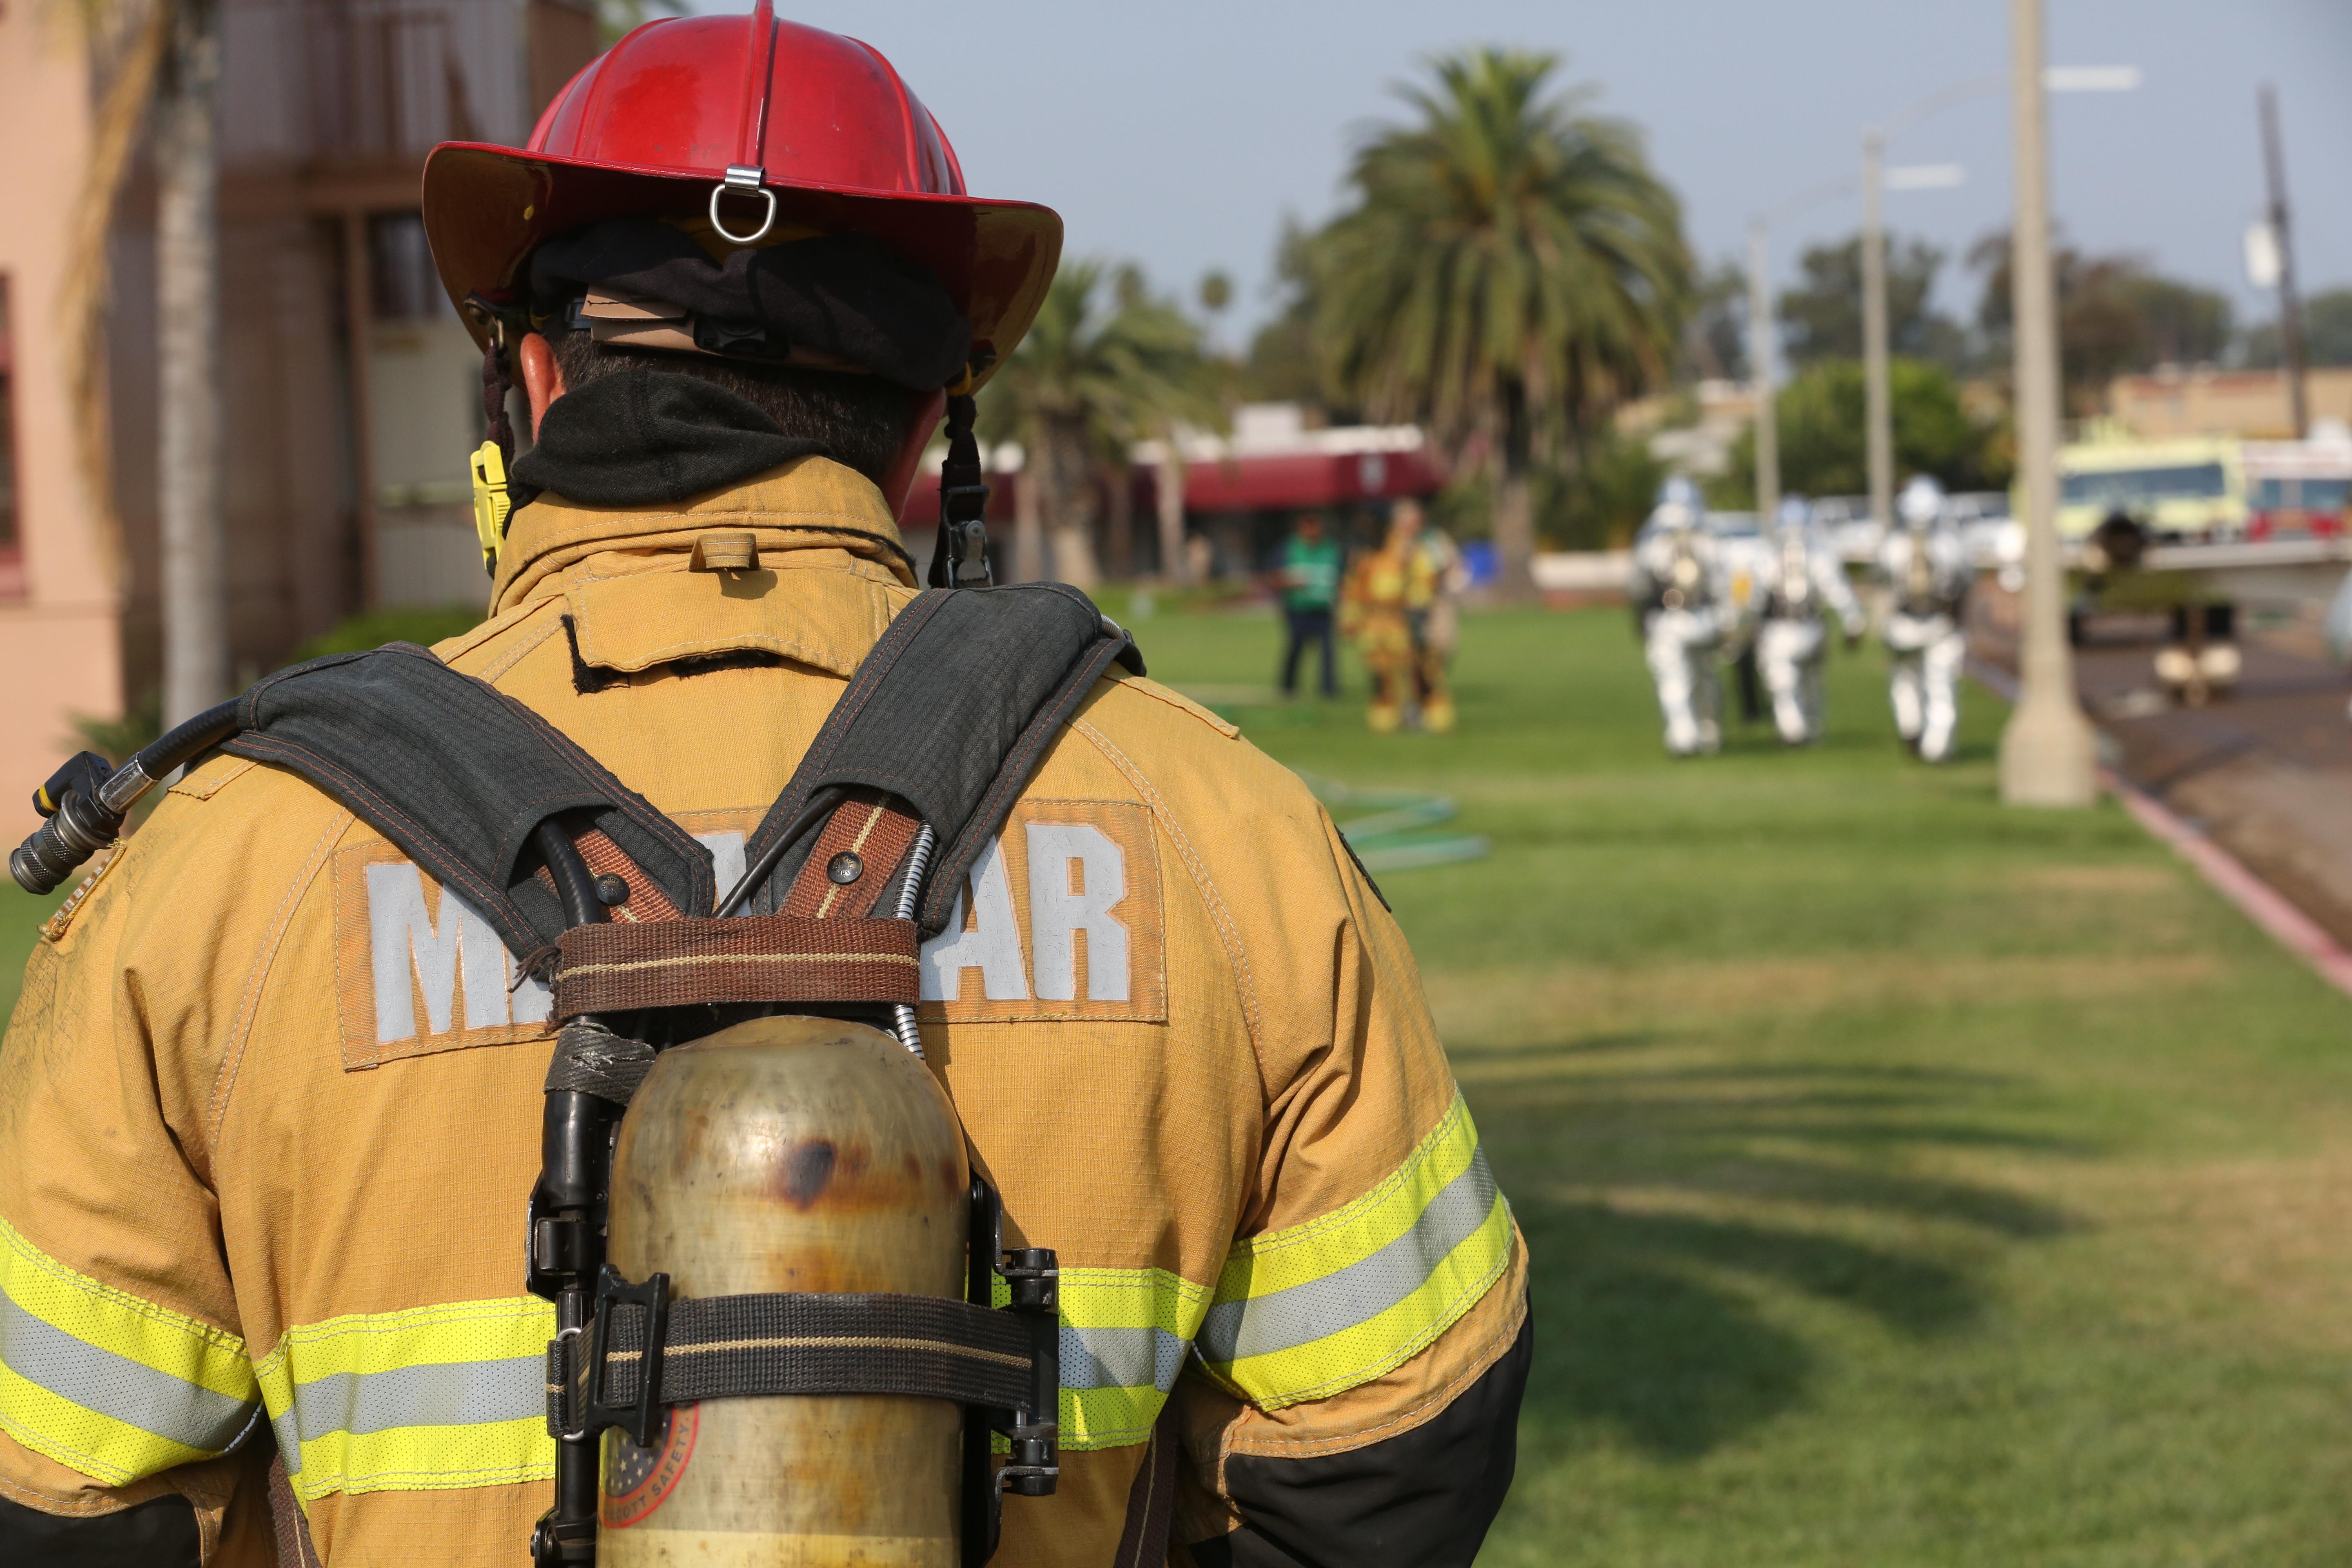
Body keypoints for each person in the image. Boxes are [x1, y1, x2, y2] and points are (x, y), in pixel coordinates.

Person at [0, 10, 1528, 1567]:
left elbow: (59, 1504)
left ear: (528, 382)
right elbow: (1391, 1455)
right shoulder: (1232, 841)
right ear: (932, 421)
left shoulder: (209, 874)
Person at [1626, 477, 1729, 756]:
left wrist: (1640, 621)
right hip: (1705, 617)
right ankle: (1710, 733)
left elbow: (1639, 585)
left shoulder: (1653, 537)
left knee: (1674, 681)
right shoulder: (1708, 535)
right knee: (1706, 678)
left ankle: (1683, 737)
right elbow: (1722, 583)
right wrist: (1726, 620)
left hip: (1668, 620)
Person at [1754, 494, 1866, 745]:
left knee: (1784, 685)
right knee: (1810, 682)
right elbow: (1840, 594)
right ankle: (1811, 727)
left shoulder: (1767, 559)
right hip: (1812, 628)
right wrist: (1854, 623)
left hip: (1780, 630)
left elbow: (1754, 599)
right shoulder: (1819, 557)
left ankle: (1793, 730)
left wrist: (1740, 625)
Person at [1877, 474, 1973, 762]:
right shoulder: (1952, 546)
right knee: (1941, 687)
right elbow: (1966, 581)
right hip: (1941, 624)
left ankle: (1911, 729)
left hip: (1903, 625)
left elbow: (1880, 579)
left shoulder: (1892, 546)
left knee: (1906, 680)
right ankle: (1937, 746)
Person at [1340, 506, 1419, 732]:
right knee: (1379, 671)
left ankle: (1409, 712)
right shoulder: (1363, 559)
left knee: (1404, 669)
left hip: (1396, 622)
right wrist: (1350, 621)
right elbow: (1354, 592)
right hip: (1373, 624)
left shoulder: (1400, 553)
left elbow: (1413, 582)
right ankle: (1384, 714)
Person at [1401, 502, 1463, 735]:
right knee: (1413, 658)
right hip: (1409, 607)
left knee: (1443, 648)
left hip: (1437, 604)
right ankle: (1416, 705)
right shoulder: (1397, 542)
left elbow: (1449, 564)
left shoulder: (1435, 539)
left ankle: (1431, 696)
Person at [1276, 512, 1341, 698]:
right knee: (1295, 647)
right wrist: (1290, 582)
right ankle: (1288, 687)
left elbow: (1342, 576)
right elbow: (1274, 575)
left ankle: (1329, 690)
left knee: (1328, 650)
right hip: (1299, 608)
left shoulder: (1331, 548)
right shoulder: (1290, 548)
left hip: (1324, 608)